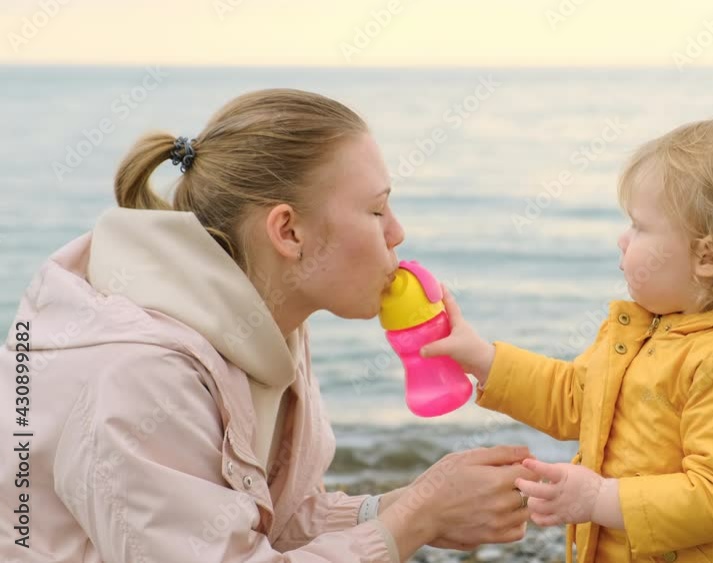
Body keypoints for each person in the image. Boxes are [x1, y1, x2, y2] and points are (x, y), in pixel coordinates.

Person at [0, 88, 536, 562]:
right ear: (288, 232)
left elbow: (262, 523)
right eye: (376, 212)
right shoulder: (140, 376)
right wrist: (413, 520)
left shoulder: (264, 324)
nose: (397, 233)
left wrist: (399, 508)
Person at [421, 116, 713, 562]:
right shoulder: (644, 332)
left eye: (639, 226)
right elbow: (577, 397)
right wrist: (482, 359)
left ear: (707, 256)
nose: (622, 239)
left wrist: (597, 499)